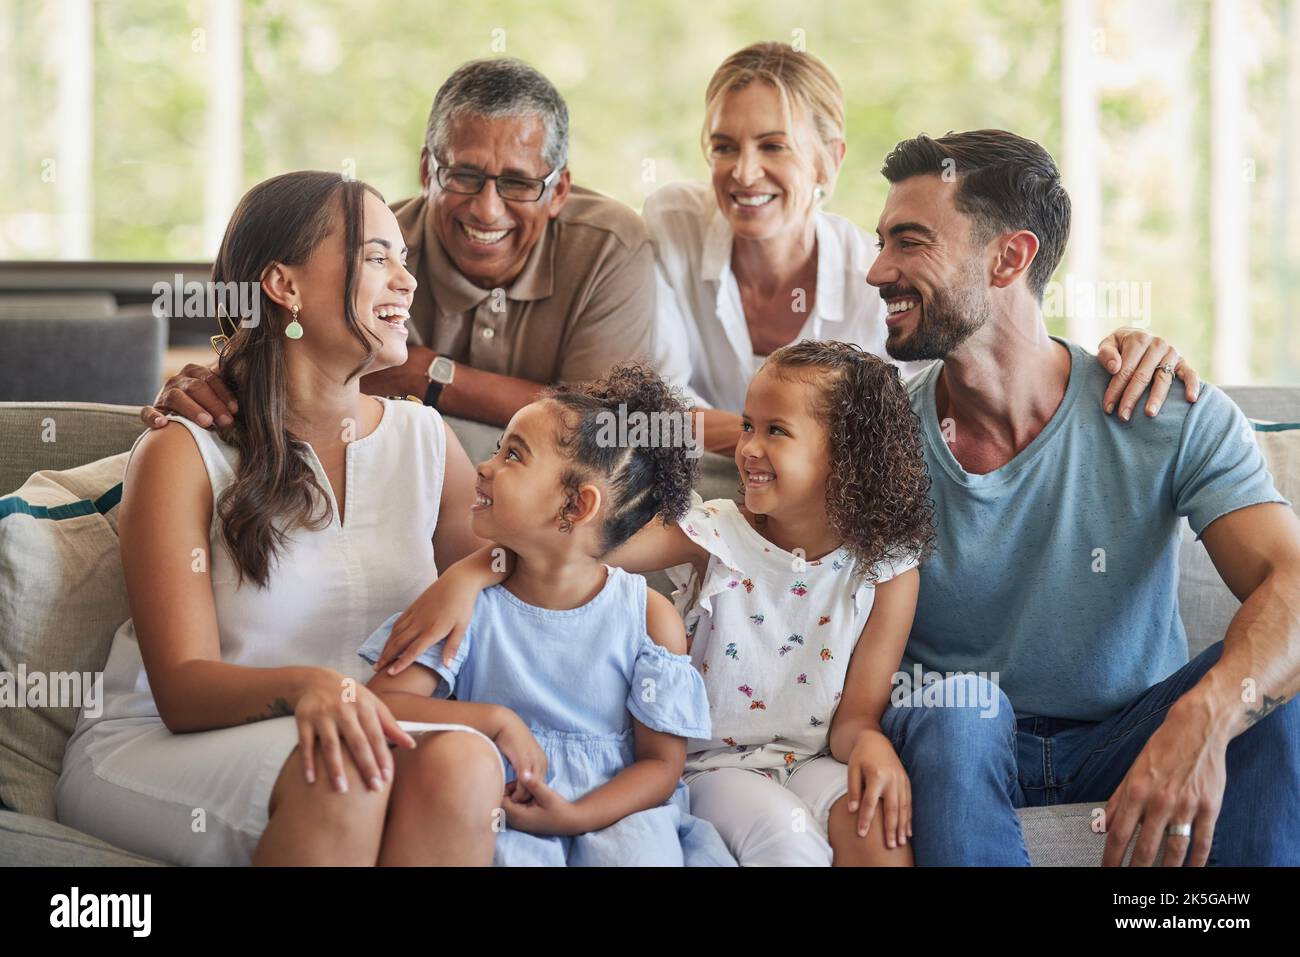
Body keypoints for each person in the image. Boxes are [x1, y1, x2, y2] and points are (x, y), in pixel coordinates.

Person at [868, 129, 1300, 866]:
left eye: (910, 242)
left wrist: (1206, 712)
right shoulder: (877, 441)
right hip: (961, 741)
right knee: (961, 709)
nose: (879, 270)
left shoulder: (1164, 410)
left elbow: (1290, 584)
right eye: (881, 243)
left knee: (1274, 693)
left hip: (1125, 733)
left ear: (1010, 257)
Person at [56, 171, 505, 866]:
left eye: (404, 260)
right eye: (377, 257)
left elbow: (527, 563)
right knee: (346, 769)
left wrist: (472, 575)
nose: (407, 282)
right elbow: (180, 688)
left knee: (465, 765)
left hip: (348, 734)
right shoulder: (184, 453)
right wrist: (313, 686)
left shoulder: (425, 441)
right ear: (284, 286)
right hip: (164, 743)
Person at [376, 341, 937, 867]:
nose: (747, 447)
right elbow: (580, 543)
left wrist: (873, 747)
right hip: (716, 766)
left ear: (848, 457)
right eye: (746, 425)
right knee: (785, 836)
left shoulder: (887, 571)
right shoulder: (714, 532)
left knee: (877, 829)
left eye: (776, 431)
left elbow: (856, 717)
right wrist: (469, 574)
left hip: (814, 760)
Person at [645, 41, 1200, 455]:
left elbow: (980, 354)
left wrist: (1127, 348)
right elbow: (650, 413)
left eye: (772, 145)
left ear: (828, 161)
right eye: (723, 147)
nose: (743, 171)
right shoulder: (673, 223)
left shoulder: (886, 281)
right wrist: (789, 436)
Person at [143, 58, 655, 431]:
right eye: (464, 174)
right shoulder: (374, 244)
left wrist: (431, 375)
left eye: (518, 183)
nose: (487, 209)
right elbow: (283, 356)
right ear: (427, 170)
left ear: (559, 190)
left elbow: (605, 425)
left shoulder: (611, 244)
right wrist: (210, 382)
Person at [361, 365, 735, 866]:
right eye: (498, 448)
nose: (484, 466)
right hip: (498, 805)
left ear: (576, 505)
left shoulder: (649, 619)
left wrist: (576, 817)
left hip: (614, 815)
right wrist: (492, 720)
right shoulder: (466, 604)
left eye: (513, 454)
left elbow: (661, 765)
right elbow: (384, 703)